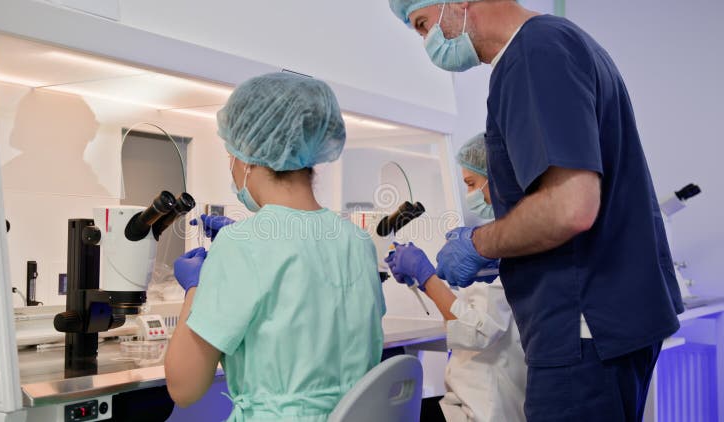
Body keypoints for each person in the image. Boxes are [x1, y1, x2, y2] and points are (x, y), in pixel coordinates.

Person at [387, 1, 684, 420]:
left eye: (422, 24)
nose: (426, 42)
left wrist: (479, 243)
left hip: (581, 327)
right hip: (601, 322)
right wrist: (500, 254)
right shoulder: (559, 44)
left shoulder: (533, 53)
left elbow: (570, 207)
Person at [164, 72, 386, 421]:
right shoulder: (357, 242)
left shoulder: (241, 244)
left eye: (230, 155)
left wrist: (197, 287)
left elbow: (184, 387)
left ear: (248, 157)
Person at [386, 133, 526, 422]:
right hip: (472, 398)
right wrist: (422, 278)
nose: (470, 194)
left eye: (472, 184)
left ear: (497, 179)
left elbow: (477, 331)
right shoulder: (500, 237)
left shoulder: (507, 243)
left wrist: (425, 276)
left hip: (488, 407)